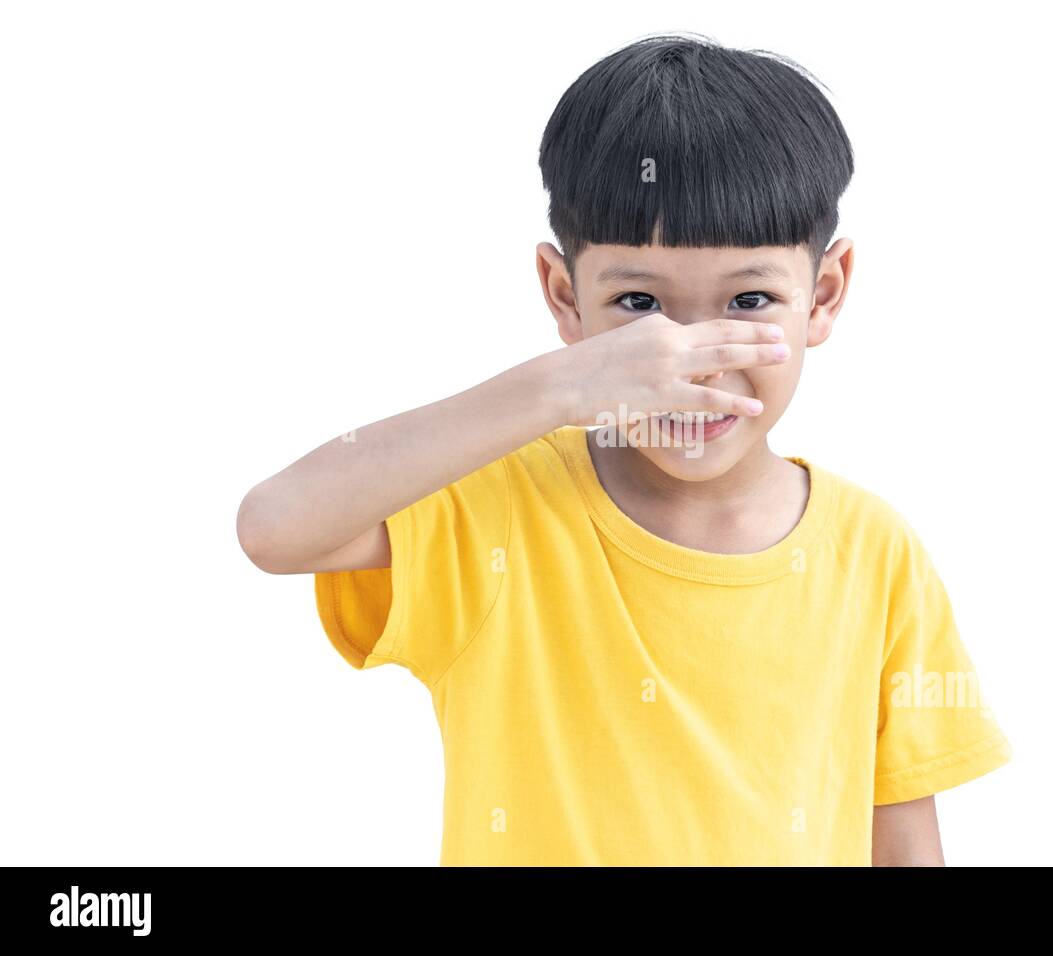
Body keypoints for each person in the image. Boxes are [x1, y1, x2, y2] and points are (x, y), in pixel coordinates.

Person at [236, 33, 1011, 865]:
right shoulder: (499, 511)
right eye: (638, 303)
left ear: (823, 295)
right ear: (563, 298)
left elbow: (901, 842)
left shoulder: (876, 552)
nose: (682, 354)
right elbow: (276, 525)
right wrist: (564, 387)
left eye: (749, 298)